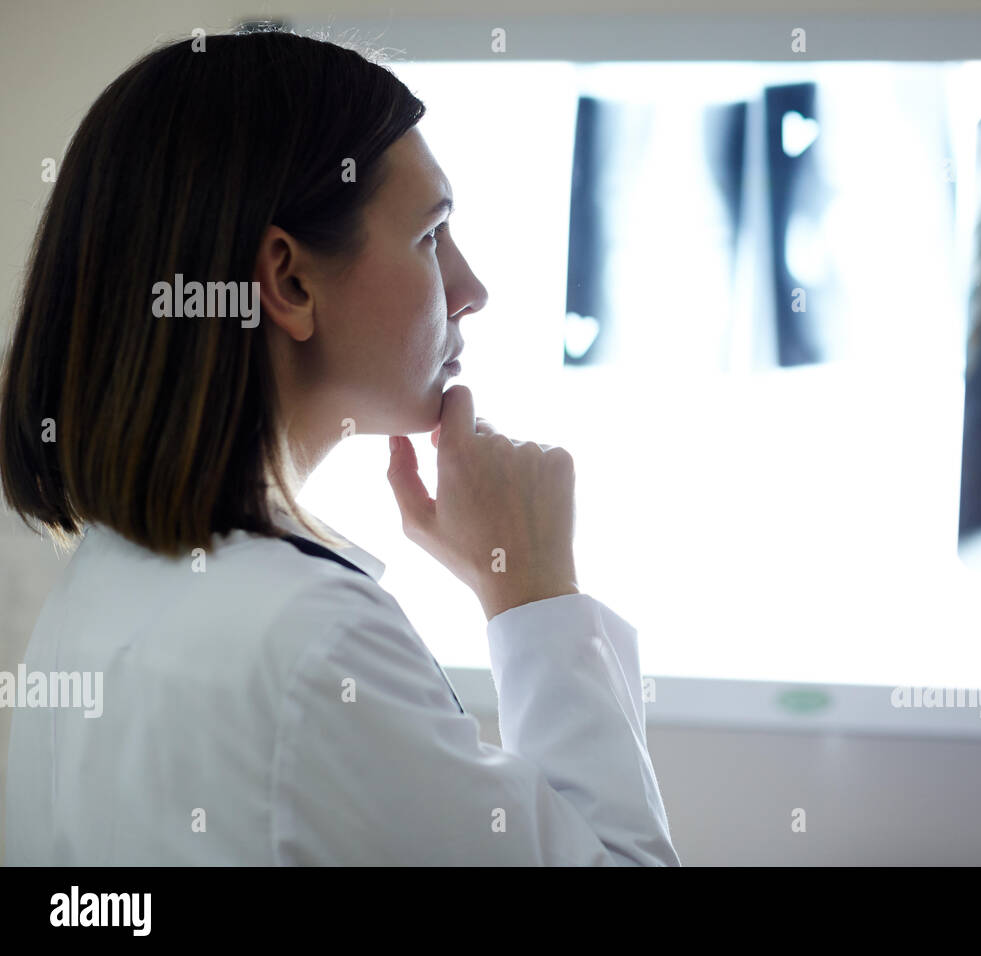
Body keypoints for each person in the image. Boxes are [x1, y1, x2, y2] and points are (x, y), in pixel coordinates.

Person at [0, 27, 679, 866]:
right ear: (288, 282)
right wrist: (533, 590)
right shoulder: (317, 644)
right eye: (431, 235)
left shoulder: (101, 587)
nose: (471, 289)